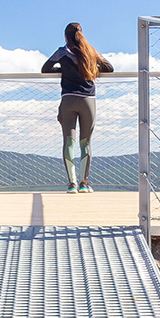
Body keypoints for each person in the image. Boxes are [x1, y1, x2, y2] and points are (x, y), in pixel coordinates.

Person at [42, 23, 114, 193]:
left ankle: (72, 184)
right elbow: (109, 68)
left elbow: (45, 69)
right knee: (85, 143)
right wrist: (91, 69)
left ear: (66, 36)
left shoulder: (62, 52)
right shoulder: (91, 52)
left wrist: (63, 69)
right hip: (88, 100)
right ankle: (84, 183)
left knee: (69, 141)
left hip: (68, 99)